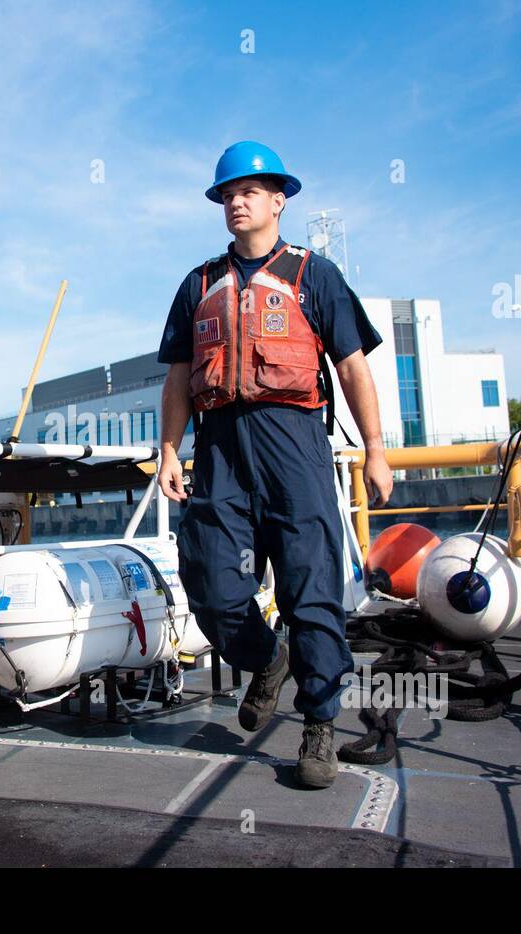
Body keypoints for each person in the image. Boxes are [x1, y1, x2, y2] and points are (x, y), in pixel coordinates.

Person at [156, 142, 392, 789]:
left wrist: (374, 447)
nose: (238, 201)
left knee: (310, 588)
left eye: (251, 191)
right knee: (210, 579)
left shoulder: (316, 276)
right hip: (221, 447)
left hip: (296, 448)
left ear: (278, 200)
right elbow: (179, 376)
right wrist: (171, 448)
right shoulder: (198, 284)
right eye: (229, 193)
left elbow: (351, 366)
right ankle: (267, 657)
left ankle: (319, 728)